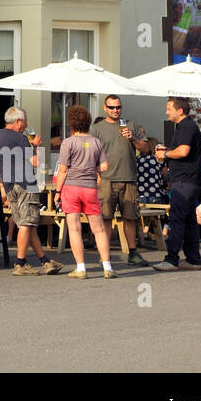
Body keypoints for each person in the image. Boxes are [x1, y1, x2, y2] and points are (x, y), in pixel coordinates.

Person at [0, 106, 63, 275]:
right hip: (25, 185)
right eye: (25, 121)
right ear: (17, 121)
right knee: (26, 224)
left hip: (8, 186)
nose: (26, 124)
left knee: (28, 226)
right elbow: (36, 162)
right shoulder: (20, 138)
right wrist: (36, 146)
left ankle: (45, 261)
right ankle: (20, 263)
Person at [54, 105, 116, 278]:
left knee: (74, 229)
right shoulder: (95, 141)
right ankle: (107, 267)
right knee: (99, 229)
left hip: (71, 188)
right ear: (88, 122)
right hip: (90, 188)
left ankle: (81, 268)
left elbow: (63, 170)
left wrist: (58, 191)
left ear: (71, 124)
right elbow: (104, 166)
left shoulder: (68, 142)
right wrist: (92, 167)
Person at [90, 95, 149, 267]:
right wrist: (96, 174)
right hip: (107, 180)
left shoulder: (131, 125)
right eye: (111, 107)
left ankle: (133, 253)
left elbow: (146, 149)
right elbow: (91, 154)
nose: (115, 111)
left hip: (129, 178)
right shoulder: (97, 128)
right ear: (105, 108)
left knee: (130, 218)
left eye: (118, 107)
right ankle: (105, 254)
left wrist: (132, 138)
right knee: (106, 218)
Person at [153, 97, 201, 271]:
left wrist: (165, 154)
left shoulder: (186, 127)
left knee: (176, 220)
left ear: (179, 111)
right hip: (188, 180)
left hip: (184, 181)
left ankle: (171, 259)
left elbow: (183, 151)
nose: (166, 112)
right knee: (189, 220)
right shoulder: (186, 127)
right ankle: (193, 259)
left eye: (169, 108)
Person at [136, 137, 168, 205]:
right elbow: (165, 176)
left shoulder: (137, 160)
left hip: (140, 194)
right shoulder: (159, 159)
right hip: (156, 194)